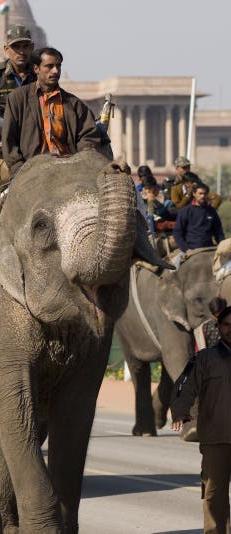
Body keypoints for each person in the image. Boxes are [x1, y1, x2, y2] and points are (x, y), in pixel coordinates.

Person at [171, 305, 231, 533]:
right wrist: (180, 410)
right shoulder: (204, 358)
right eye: (227, 325)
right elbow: (183, 385)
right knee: (214, 495)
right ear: (219, 327)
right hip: (216, 438)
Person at [1, 47, 101, 176]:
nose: (55, 71)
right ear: (36, 69)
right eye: (49, 66)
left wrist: (83, 159)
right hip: (31, 171)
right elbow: (9, 139)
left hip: (67, 169)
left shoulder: (73, 103)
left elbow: (88, 135)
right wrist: (19, 170)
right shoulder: (18, 98)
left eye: (58, 66)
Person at [173, 182, 225, 252]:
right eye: (200, 193)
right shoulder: (185, 211)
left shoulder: (211, 211)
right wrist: (186, 249)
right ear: (194, 194)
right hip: (191, 249)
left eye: (205, 194)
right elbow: (177, 233)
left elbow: (218, 232)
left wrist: (222, 247)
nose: (203, 196)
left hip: (209, 249)